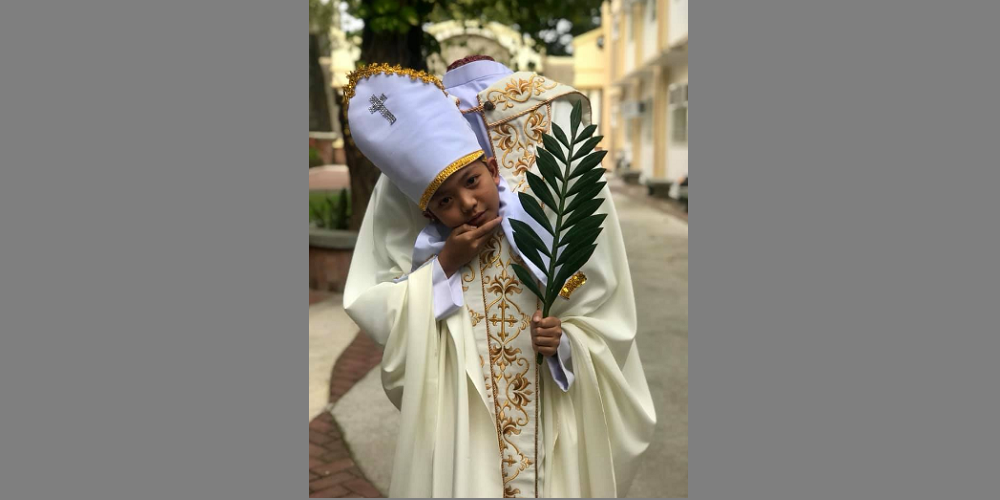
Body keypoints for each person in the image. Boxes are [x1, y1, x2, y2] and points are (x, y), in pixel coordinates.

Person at [343, 62, 655, 498]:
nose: (469, 204)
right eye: (448, 200)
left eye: (474, 182)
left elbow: (601, 295)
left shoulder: (546, 116)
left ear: (492, 167)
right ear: (431, 212)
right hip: (465, 397)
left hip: (548, 394)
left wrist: (568, 345)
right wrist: (442, 266)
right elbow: (378, 302)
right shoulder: (410, 158)